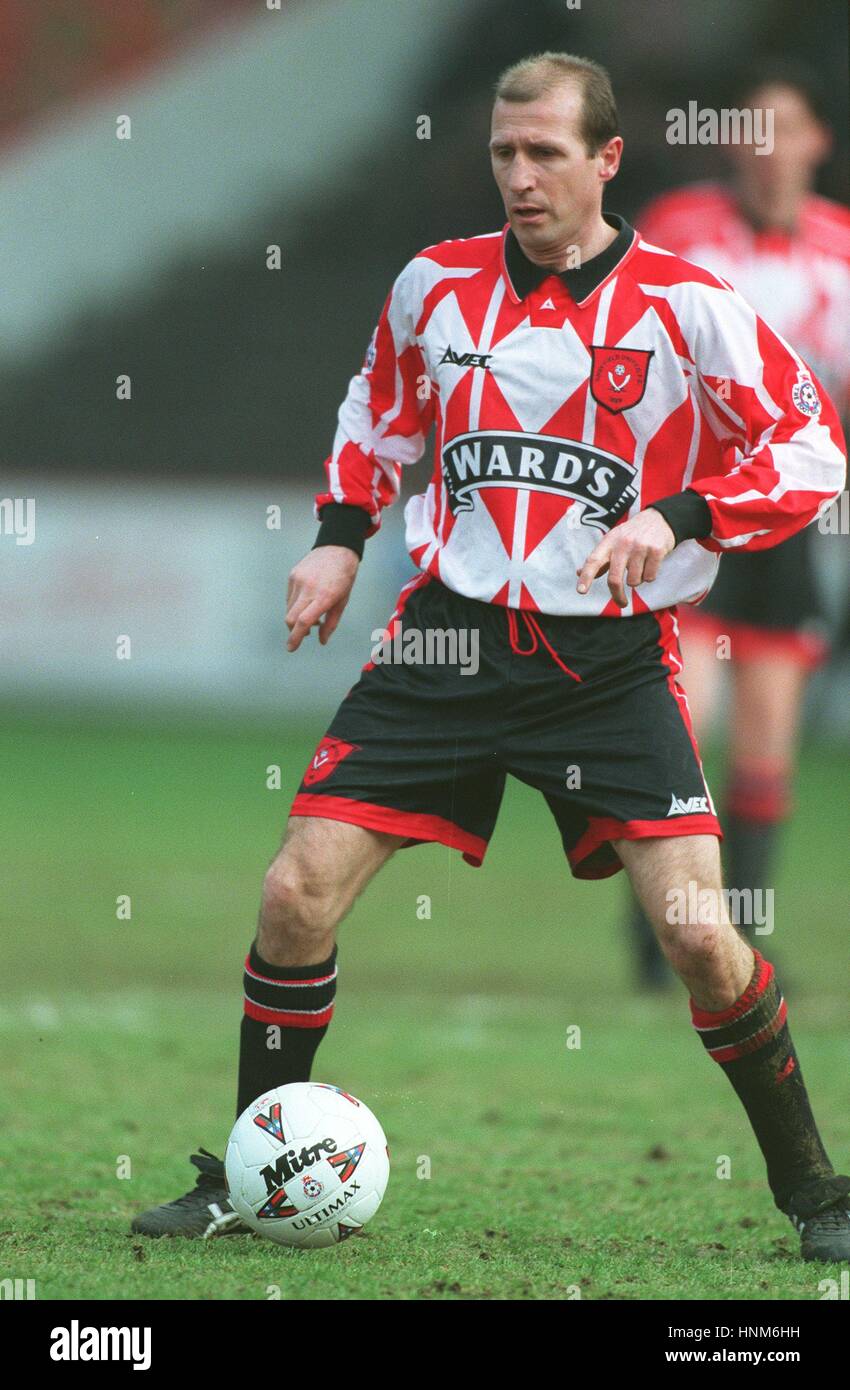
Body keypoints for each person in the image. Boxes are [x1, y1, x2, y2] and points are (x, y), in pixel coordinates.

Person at [131, 52, 849, 1260]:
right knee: (293, 892)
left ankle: (816, 1192)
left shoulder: (689, 302)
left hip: (608, 664)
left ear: (607, 160)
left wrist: (676, 517)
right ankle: (248, 1165)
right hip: (446, 646)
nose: (519, 177)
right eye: (504, 154)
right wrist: (339, 540)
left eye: (546, 154)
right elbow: (379, 412)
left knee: (698, 938)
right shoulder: (433, 286)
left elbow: (810, 447)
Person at [627, 61, 850, 990]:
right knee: (688, 726)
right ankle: (662, 932)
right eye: (751, 129)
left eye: (784, 129)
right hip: (689, 517)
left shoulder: (840, 249)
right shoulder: (679, 231)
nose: (768, 148)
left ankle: (738, 936)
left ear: (815, 145)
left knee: (765, 740)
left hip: (788, 525)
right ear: (732, 143)